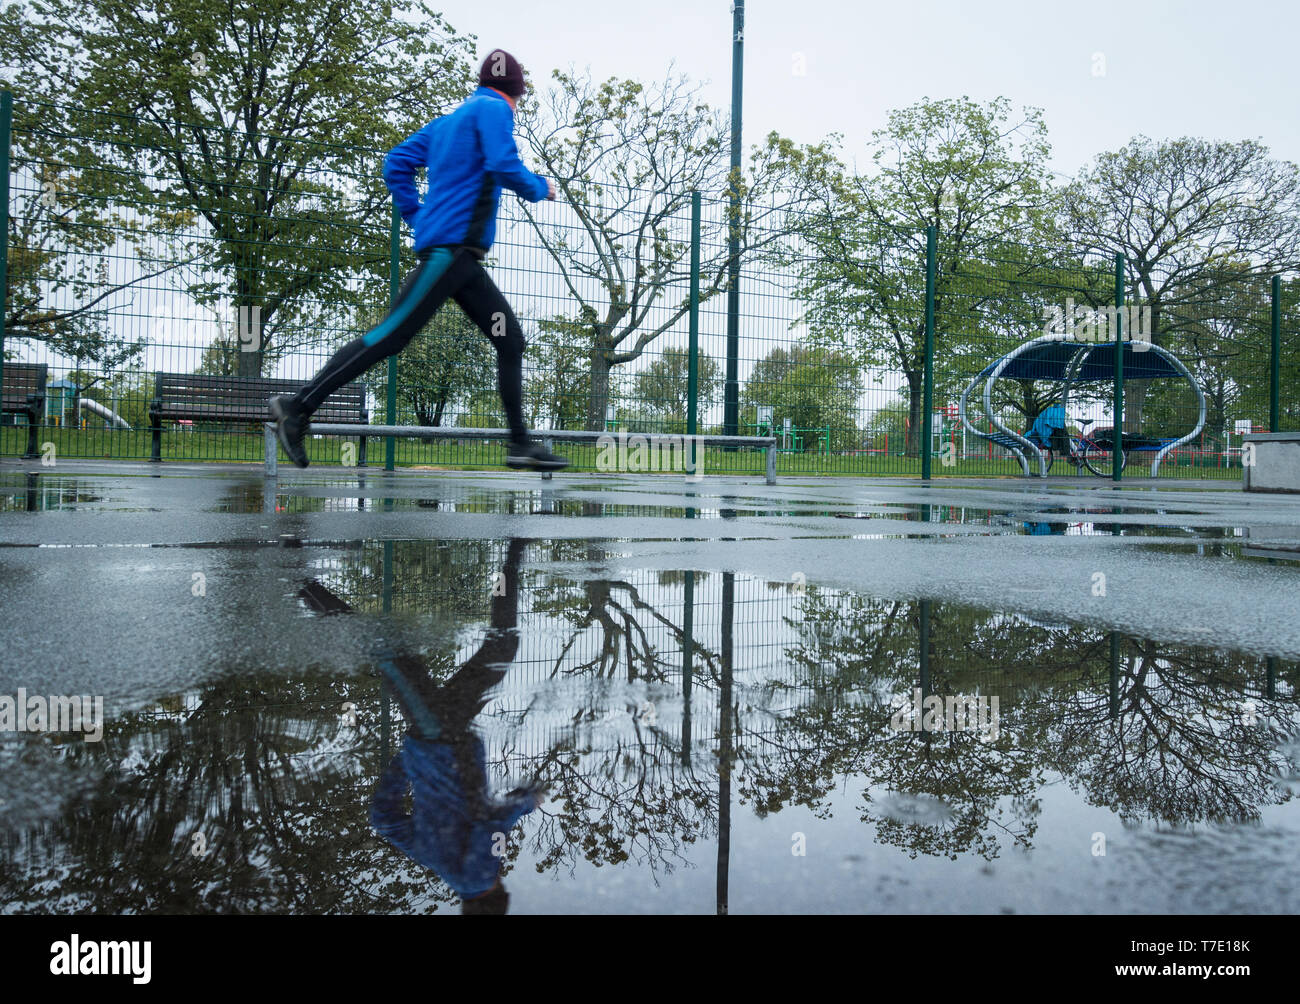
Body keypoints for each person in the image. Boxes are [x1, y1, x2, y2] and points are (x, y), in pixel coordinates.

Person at [269, 49, 568, 473]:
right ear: (515, 93)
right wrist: (541, 188)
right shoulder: (495, 110)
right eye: (518, 97)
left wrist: (416, 215)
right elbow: (504, 165)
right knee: (390, 335)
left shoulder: (448, 123)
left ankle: (520, 444)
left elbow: (397, 162)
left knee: (509, 338)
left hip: (461, 261)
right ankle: (297, 406)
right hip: (449, 255)